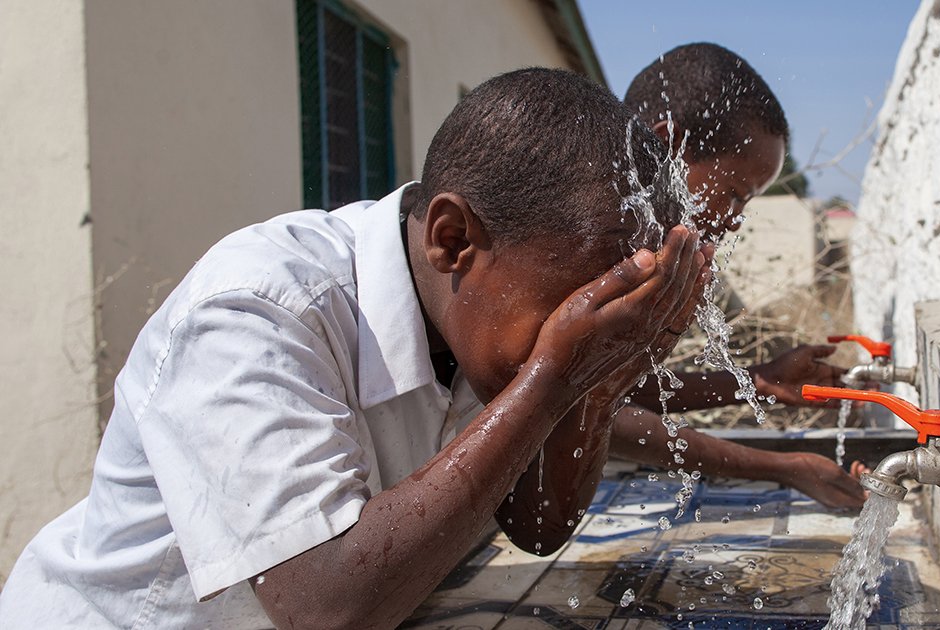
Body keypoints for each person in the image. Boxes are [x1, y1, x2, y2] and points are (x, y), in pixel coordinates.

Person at [0, 68, 711, 629]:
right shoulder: (259, 308)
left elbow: (536, 523)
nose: (583, 326)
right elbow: (328, 607)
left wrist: (597, 382)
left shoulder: (478, 312)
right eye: (575, 306)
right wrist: (556, 377)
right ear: (453, 240)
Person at [608, 43, 870, 507]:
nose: (733, 222)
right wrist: (783, 467)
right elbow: (588, 415)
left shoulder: (633, 242)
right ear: (669, 145)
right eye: (734, 194)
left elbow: (606, 394)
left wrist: (760, 381)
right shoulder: (588, 247)